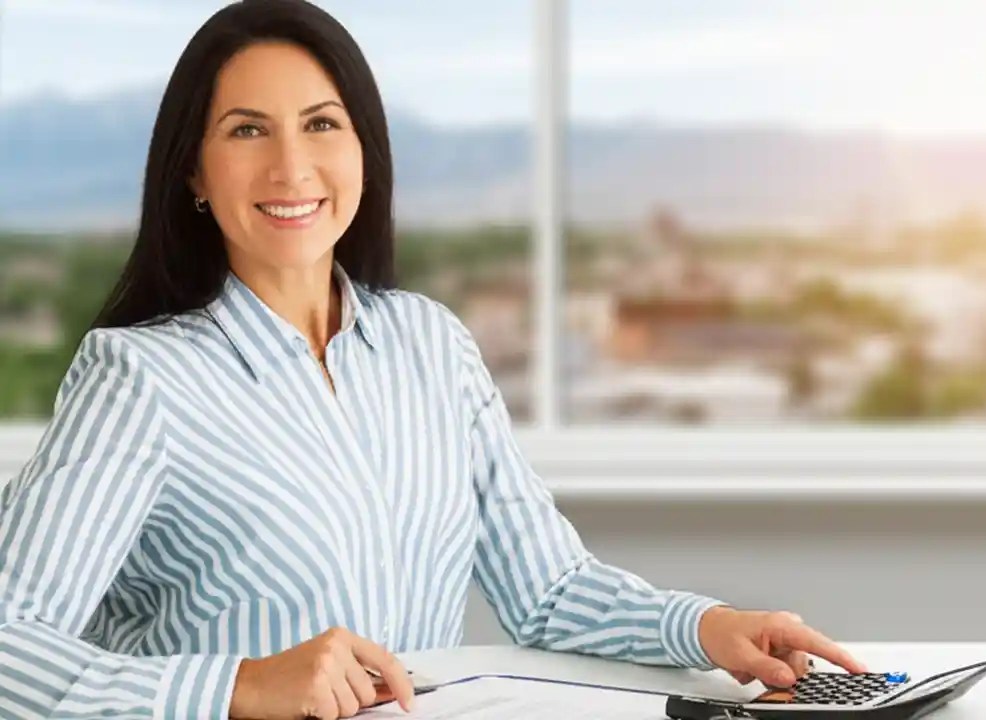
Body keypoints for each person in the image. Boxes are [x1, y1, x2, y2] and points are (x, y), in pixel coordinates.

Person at [0, 2, 865, 718]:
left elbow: (546, 589)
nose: (292, 165)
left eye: (322, 125)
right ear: (193, 170)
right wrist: (237, 686)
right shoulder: (140, 377)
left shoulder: (431, 343)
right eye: (247, 130)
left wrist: (710, 627)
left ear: (364, 150)